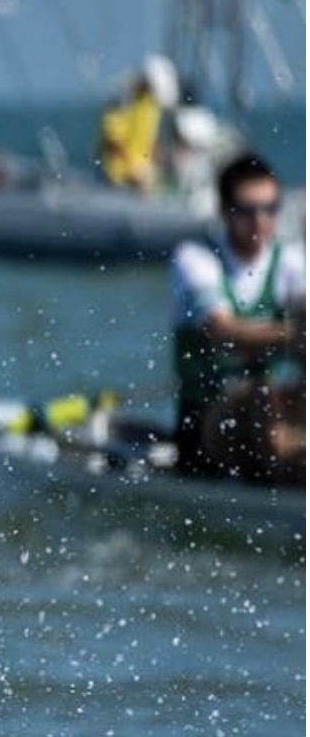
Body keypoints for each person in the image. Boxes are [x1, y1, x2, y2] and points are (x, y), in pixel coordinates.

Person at [169, 153, 305, 483]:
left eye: (270, 208)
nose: (260, 220)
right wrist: (292, 335)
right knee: (260, 394)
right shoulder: (195, 260)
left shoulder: (290, 262)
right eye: (247, 211)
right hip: (204, 425)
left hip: (270, 417)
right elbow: (220, 330)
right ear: (222, 209)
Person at [98, 55, 177, 192]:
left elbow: (146, 138)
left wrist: (153, 158)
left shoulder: (151, 104)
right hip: (118, 178)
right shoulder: (123, 101)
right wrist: (133, 171)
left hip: (140, 176)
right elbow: (111, 142)